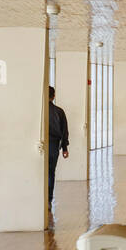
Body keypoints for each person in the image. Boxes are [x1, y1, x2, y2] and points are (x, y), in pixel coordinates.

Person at [46, 86, 68, 231]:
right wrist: (65, 148)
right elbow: (64, 131)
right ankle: (48, 199)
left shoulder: (39, 111)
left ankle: (41, 198)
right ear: (54, 96)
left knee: (42, 173)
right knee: (50, 172)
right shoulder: (59, 111)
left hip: (42, 143)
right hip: (54, 144)